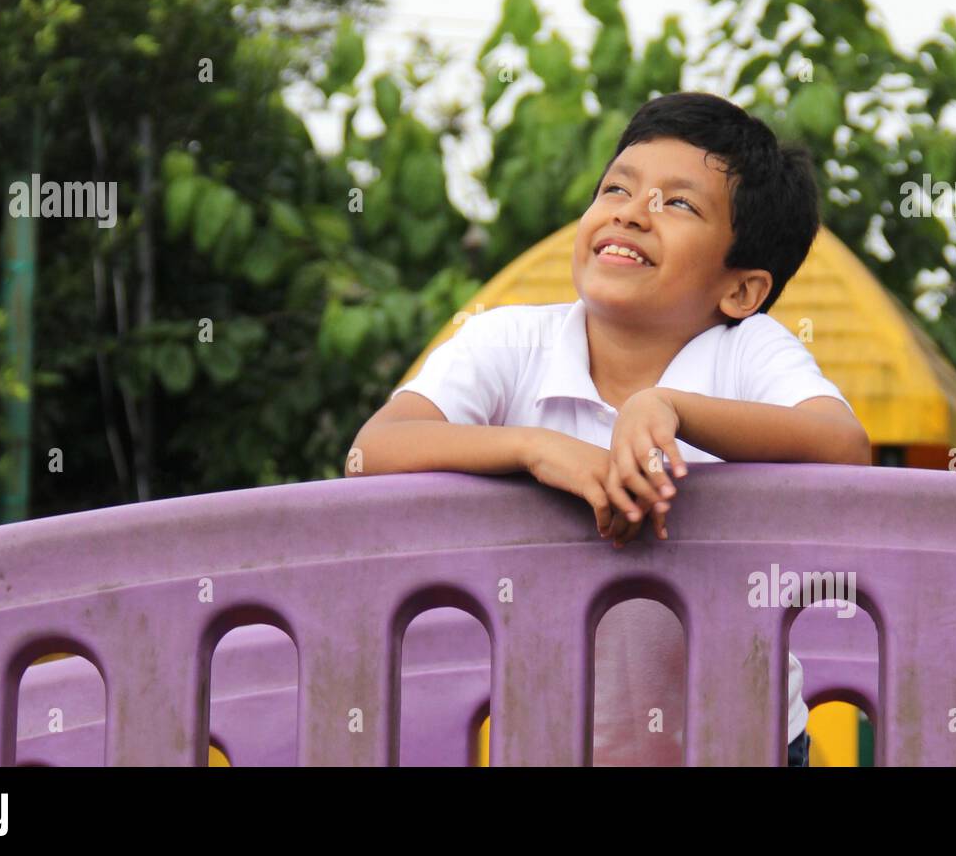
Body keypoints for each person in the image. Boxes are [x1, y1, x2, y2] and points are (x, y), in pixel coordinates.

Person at [348, 91, 870, 765]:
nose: (632, 211)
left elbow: (842, 445)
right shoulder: (512, 340)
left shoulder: (748, 349)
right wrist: (534, 448)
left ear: (740, 290)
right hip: (549, 746)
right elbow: (375, 448)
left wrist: (666, 406)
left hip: (741, 746)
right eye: (617, 188)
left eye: (678, 204)